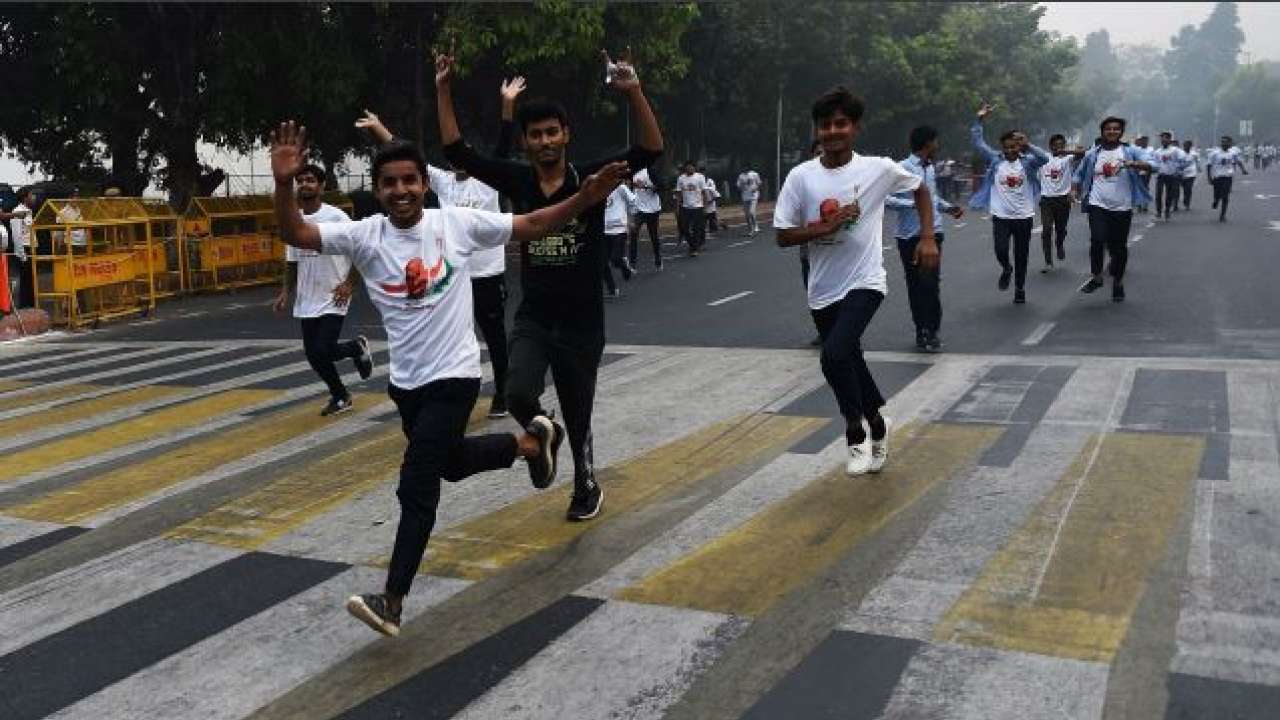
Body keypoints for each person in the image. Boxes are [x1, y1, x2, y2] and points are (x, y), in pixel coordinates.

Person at [270, 120, 628, 637]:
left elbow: (532, 224)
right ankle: (531, 445)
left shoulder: (454, 223)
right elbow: (296, 233)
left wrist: (584, 199)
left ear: (424, 184)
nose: (401, 191)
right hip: (407, 385)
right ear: (378, 190)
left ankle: (392, 600)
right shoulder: (365, 236)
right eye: (390, 183)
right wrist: (284, 184)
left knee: (416, 483)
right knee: (451, 466)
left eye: (410, 181)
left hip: (454, 379)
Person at [438, 45, 663, 521]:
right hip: (534, 316)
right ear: (524, 142)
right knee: (517, 392)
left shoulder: (594, 178)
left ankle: (585, 482)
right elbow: (457, 151)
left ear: (565, 136)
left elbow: (650, 149)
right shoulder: (517, 180)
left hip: (582, 322)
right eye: (535, 134)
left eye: (551, 132)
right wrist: (442, 87)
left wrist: (634, 91)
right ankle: (546, 433)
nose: (544, 141)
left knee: (579, 413)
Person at [774, 86, 938, 476]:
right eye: (825, 125)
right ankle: (879, 423)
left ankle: (854, 433)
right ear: (817, 131)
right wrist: (821, 228)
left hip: (866, 280)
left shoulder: (877, 169)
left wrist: (928, 237)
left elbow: (921, 191)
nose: (832, 131)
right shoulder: (801, 177)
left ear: (856, 128)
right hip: (821, 287)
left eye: (841, 123)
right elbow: (782, 235)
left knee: (833, 355)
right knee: (850, 357)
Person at [356, 107, 514, 419]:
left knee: (494, 334)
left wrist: (506, 106)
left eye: (461, 154)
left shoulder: (487, 180)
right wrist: (378, 129)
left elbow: (504, 148)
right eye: (451, 156)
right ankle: (448, 396)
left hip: (487, 273)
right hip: (454, 274)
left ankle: (502, 392)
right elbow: (407, 157)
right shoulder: (442, 181)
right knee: (454, 335)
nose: (456, 162)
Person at [272, 163, 374, 415]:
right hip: (307, 298)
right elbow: (292, 261)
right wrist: (286, 291)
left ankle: (354, 348)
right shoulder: (295, 220)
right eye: (301, 180)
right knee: (314, 356)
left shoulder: (336, 218)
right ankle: (340, 395)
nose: (305, 184)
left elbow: (360, 252)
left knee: (323, 349)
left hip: (333, 294)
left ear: (321, 186)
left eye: (310, 180)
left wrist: (349, 283)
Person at [885, 125, 961, 353]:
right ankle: (921, 329)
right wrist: (914, 204)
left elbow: (932, 196)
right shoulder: (901, 168)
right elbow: (886, 199)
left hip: (934, 232)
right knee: (915, 285)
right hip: (909, 235)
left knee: (930, 283)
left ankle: (932, 330)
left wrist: (948, 208)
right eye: (936, 141)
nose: (938, 146)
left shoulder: (930, 168)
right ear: (927, 143)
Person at [969, 102, 1050, 304]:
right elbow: (978, 143)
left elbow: (1045, 158)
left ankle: (1020, 288)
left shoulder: (1028, 161)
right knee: (1001, 250)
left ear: (1019, 146)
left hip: (1024, 216)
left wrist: (1028, 144)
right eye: (1007, 147)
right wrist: (979, 119)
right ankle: (1006, 268)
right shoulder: (995, 160)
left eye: (1014, 146)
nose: (1010, 150)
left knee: (1022, 255)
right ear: (1002, 148)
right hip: (1001, 216)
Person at [1072, 116, 1152, 303]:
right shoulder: (1094, 154)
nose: (1112, 132)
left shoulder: (1131, 151)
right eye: (1108, 129)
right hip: (1097, 204)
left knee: (1119, 248)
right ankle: (1097, 276)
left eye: (1116, 129)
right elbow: (1079, 173)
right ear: (1102, 132)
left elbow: (1152, 165)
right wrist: (1073, 189)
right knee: (1097, 240)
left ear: (1121, 132)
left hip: (1122, 206)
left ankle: (1118, 281)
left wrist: (1135, 164)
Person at [1037, 134, 1082, 272]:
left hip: (1063, 199)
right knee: (1046, 230)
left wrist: (1066, 152)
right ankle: (1048, 262)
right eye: (1055, 145)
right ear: (1050, 146)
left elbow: (1082, 153)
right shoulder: (1043, 158)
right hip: (1046, 199)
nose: (1058, 147)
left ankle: (1059, 244)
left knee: (1061, 229)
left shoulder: (1068, 159)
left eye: (1061, 145)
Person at [601, 180, 636, 297]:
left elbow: (632, 201)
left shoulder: (620, 188)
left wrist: (631, 220)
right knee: (602, 261)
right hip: (603, 230)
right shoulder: (599, 188)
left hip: (619, 229)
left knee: (615, 259)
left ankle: (624, 267)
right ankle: (612, 289)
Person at [1207, 135, 1248, 222]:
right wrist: (1209, 177)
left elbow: (1238, 161)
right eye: (1222, 142)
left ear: (1230, 143)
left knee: (1225, 196)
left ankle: (1222, 215)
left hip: (1227, 177)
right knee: (1217, 195)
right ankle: (1216, 201)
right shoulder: (1215, 153)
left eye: (1226, 142)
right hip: (1217, 177)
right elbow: (1209, 165)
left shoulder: (1232, 153)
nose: (1224, 143)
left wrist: (1243, 170)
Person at [629, 167, 663, 270]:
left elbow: (661, 186)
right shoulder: (632, 172)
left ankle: (658, 259)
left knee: (653, 235)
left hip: (652, 209)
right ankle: (632, 262)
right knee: (633, 234)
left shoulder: (650, 171)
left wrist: (646, 186)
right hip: (638, 209)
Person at [1152, 131, 1188, 220]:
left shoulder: (1175, 150)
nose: (1162, 140)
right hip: (1161, 175)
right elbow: (1154, 163)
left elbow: (1185, 160)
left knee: (1169, 194)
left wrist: (1178, 169)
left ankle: (1167, 210)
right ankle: (1158, 211)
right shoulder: (1157, 152)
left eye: (1164, 138)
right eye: (1161, 138)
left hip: (1171, 175)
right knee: (1158, 194)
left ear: (1169, 139)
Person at [675, 161, 709, 255]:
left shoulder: (700, 177)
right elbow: (679, 194)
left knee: (696, 228)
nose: (690, 169)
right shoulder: (681, 178)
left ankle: (694, 249)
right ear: (685, 168)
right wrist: (677, 207)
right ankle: (692, 245)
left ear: (694, 168)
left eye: (692, 167)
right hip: (685, 207)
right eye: (688, 167)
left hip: (698, 207)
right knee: (685, 228)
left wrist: (705, 207)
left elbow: (704, 193)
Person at [736, 167, 762, 235]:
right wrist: (741, 187)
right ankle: (751, 229)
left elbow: (759, 183)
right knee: (747, 215)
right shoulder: (741, 176)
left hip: (753, 196)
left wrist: (755, 188)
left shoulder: (754, 174)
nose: (745, 170)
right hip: (745, 197)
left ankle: (755, 227)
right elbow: (738, 186)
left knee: (751, 212)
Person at [1133, 135, 1153, 213]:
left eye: (1145, 141)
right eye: (1142, 141)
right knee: (1138, 187)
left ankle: (1145, 204)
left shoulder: (1151, 150)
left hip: (1147, 171)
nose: (1143, 142)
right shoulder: (1137, 149)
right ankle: (1139, 205)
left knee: (1145, 187)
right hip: (1138, 171)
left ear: (1147, 141)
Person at [1180, 140, 1199, 210]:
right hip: (1182, 174)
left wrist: (1198, 168)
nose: (1186, 147)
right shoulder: (1180, 154)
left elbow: (1197, 162)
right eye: (1185, 145)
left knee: (1188, 189)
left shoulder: (1194, 154)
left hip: (1191, 174)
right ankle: (1185, 199)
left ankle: (1187, 203)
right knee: (1184, 188)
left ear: (1190, 147)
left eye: (1188, 146)